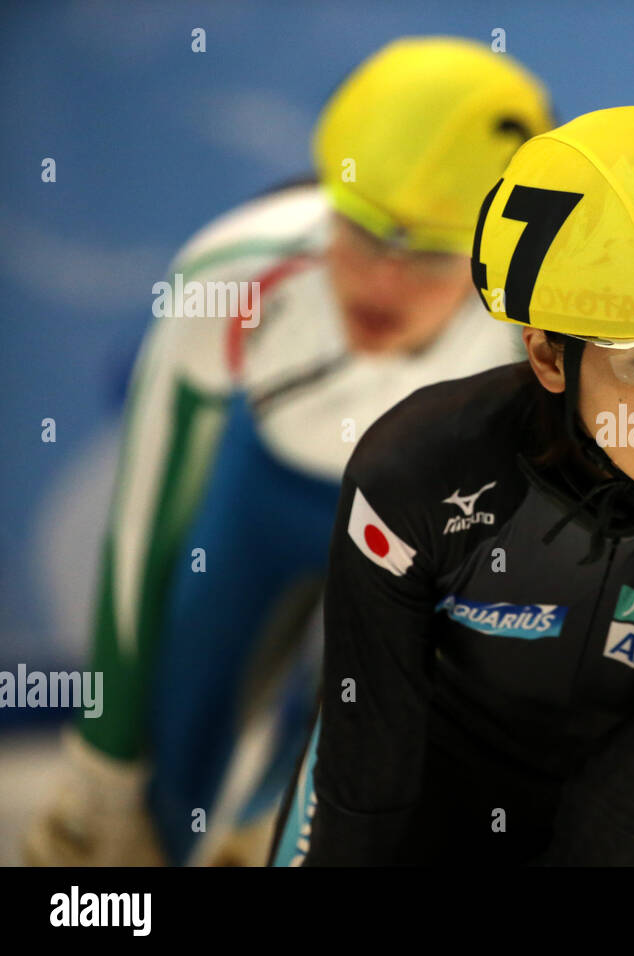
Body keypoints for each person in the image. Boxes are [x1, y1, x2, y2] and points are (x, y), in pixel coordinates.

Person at [271, 105, 634, 867]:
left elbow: (629, 804)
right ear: (550, 357)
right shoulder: (414, 477)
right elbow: (369, 769)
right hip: (433, 770)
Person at [24, 37, 554, 867]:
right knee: (172, 739)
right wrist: (103, 766)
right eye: (361, 231)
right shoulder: (235, 270)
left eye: (429, 256)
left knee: (324, 792)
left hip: (422, 529)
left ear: (494, 257)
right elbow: (142, 534)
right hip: (264, 493)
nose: (381, 281)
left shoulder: (539, 330)